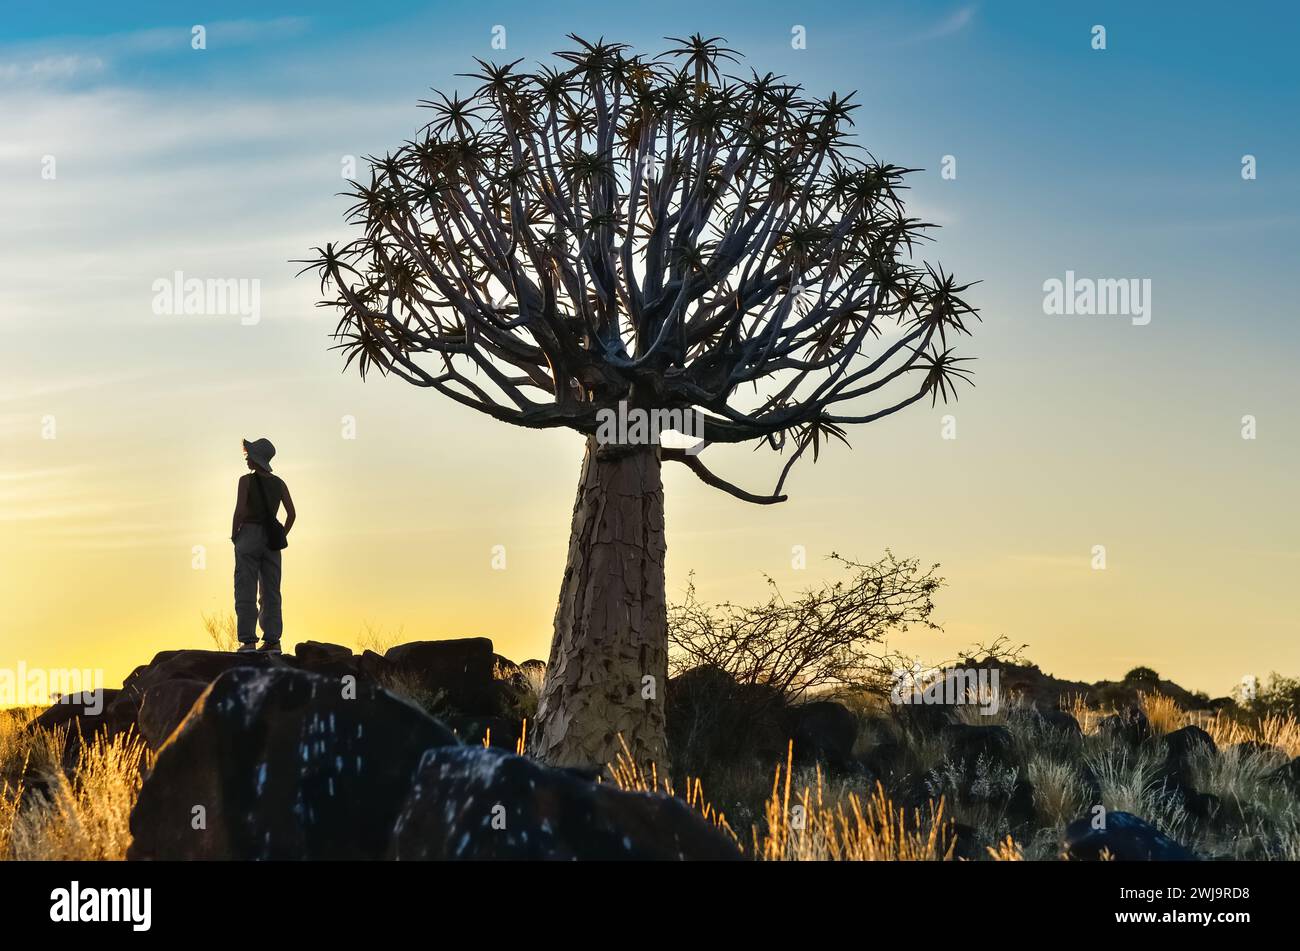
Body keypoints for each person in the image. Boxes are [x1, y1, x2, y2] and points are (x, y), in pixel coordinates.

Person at [231, 437, 296, 653]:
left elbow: (240, 511)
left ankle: (248, 641)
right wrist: (281, 535)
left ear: (255, 458)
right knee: (271, 591)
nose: (246, 457)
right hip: (272, 538)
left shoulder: (245, 481)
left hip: (248, 533)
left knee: (245, 588)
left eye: (249, 454)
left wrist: (235, 535)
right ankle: (273, 641)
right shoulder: (279, 483)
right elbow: (291, 514)